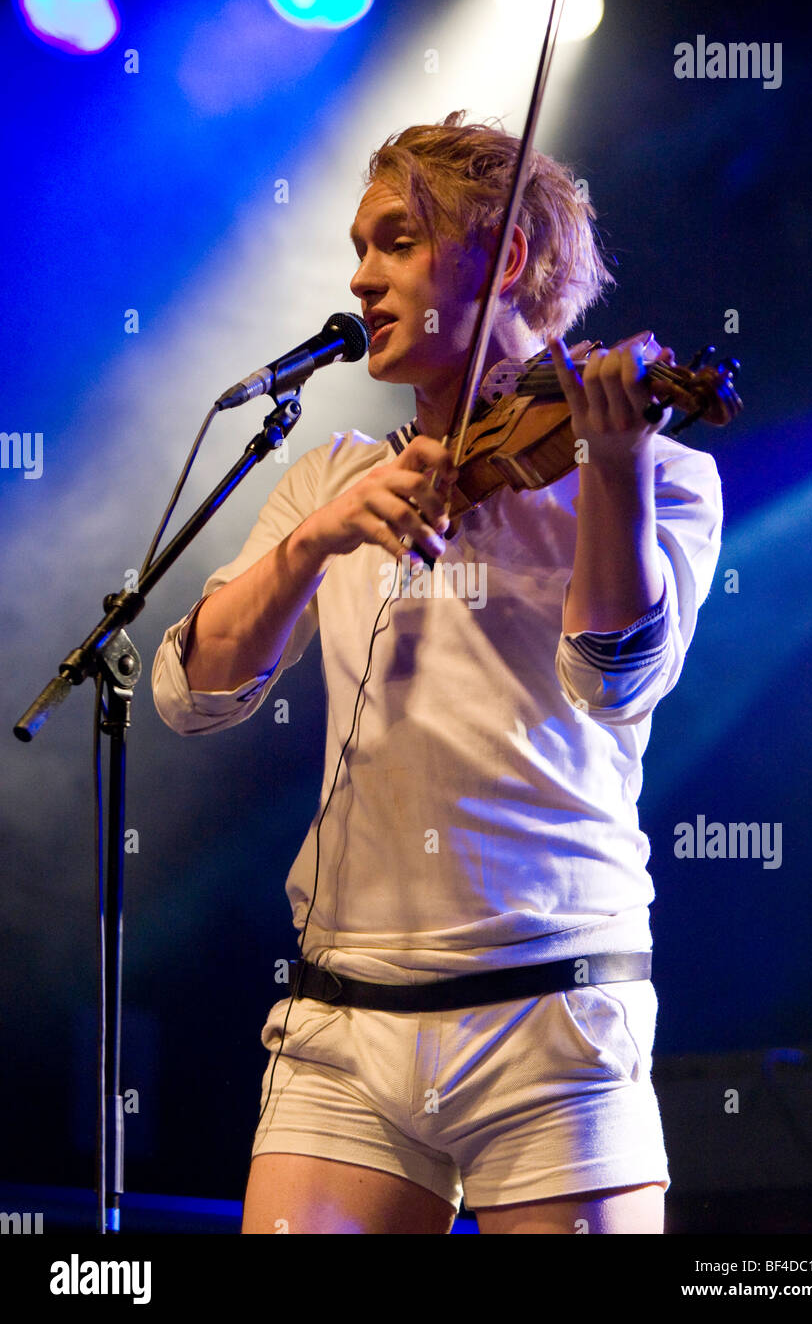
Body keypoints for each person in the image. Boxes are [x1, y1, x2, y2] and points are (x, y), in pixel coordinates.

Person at [151, 111, 723, 1234]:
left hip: (553, 1017)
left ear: (503, 257)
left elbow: (612, 682)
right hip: (340, 1022)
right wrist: (314, 542)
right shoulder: (333, 477)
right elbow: (191, 693)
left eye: (395, 241)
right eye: (357, 248)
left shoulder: (658, 473)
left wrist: (610, 470)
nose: (360, 277)